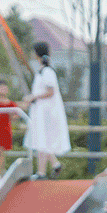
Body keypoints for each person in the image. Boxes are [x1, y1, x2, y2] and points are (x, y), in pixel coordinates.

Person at [22, 41, 71, 179]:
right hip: (41, 111)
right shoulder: (42, 71)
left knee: (42, 139)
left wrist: (33, 96)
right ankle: (55, 164)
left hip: (47, 113)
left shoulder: (47, 72)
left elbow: (51, 92)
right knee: (42, 138)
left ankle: (41, 172)